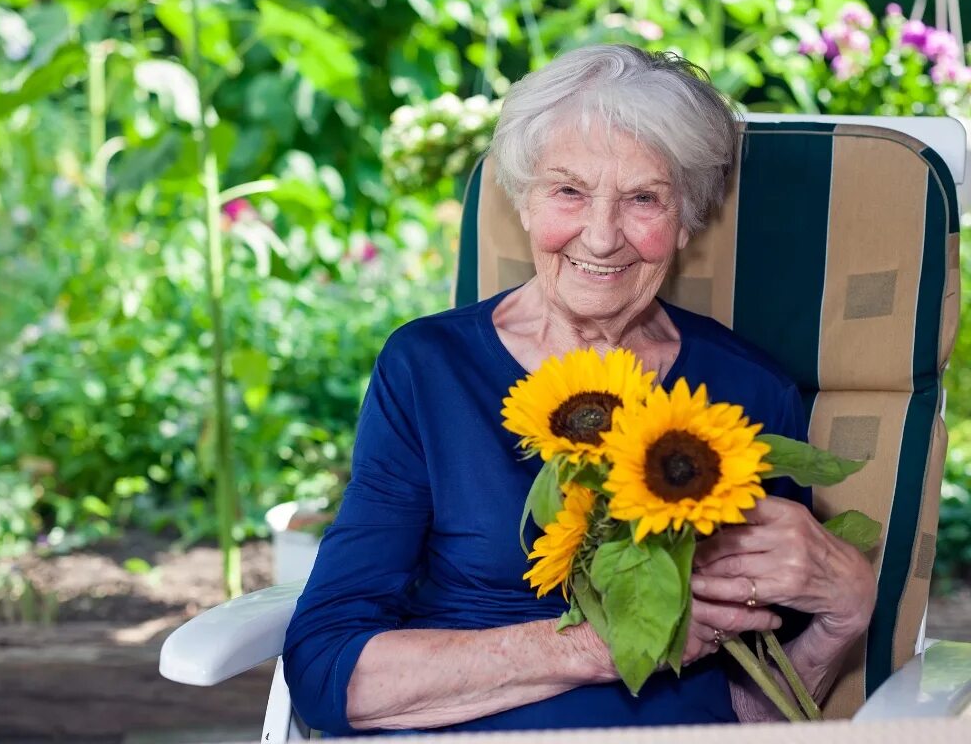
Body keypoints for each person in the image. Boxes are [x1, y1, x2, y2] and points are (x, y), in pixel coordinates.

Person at [283, 44, 876, 735]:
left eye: (643, 199)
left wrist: (846, 614)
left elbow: (748, 710)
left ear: (686, 219)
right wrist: (602, 648)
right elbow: (328, 673)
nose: (601, 237)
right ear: (524, 200)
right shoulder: (430, 371)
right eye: (569, 190)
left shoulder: (748, 393)